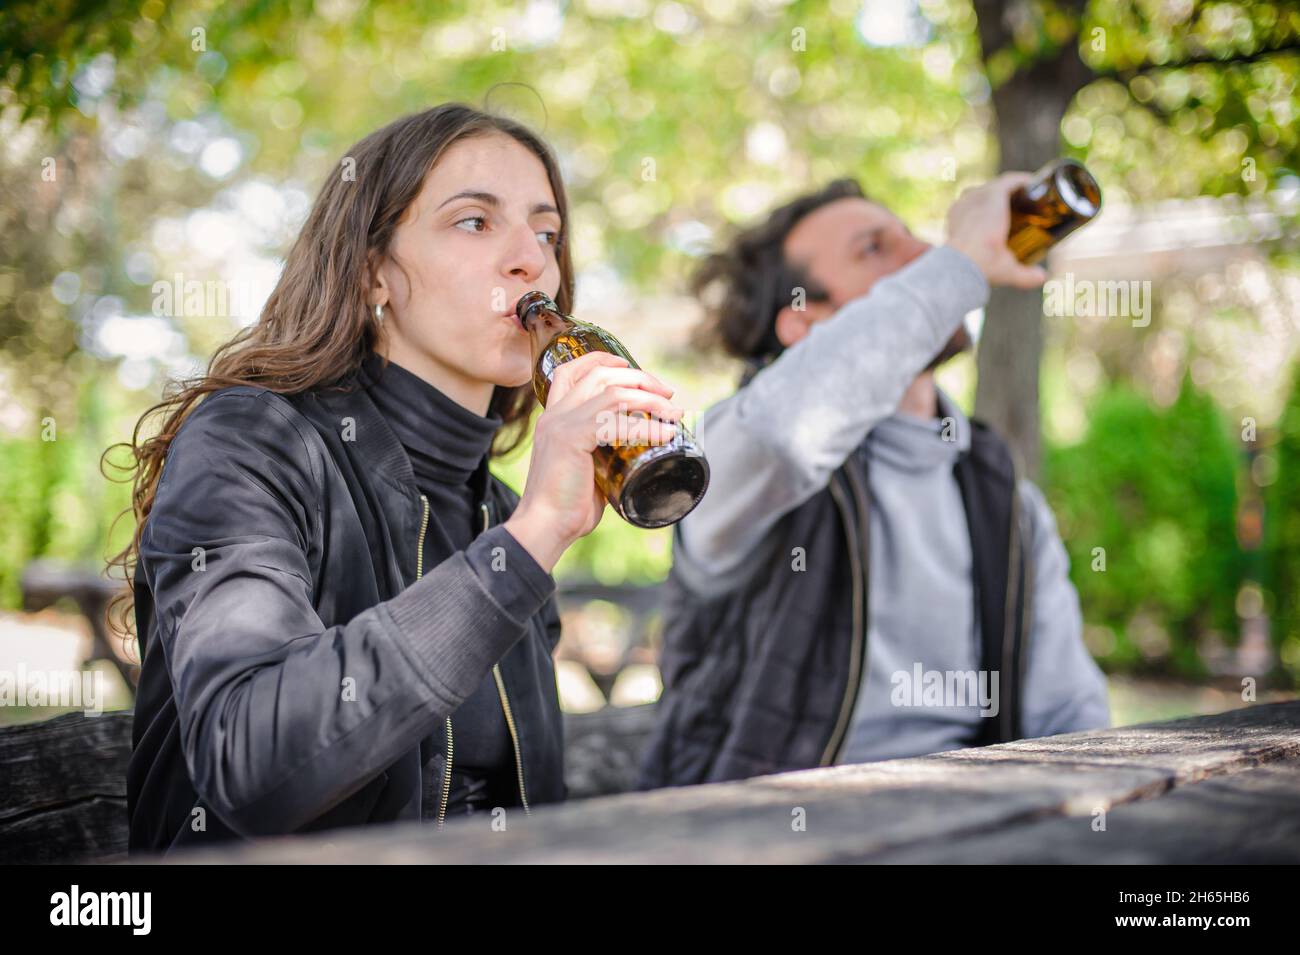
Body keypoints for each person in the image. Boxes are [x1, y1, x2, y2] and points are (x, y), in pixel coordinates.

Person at [112, 103, 683, 851]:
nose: (531, 260)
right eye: (475, 221)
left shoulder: (497, 512)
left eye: (547, 233)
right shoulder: (248, 444)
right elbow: (248, 756)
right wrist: (533, 537)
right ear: (373, 271)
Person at [638, 174, 1111, 789]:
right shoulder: (734, 456)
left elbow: (1069, 716)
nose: (926, 258)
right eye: (875, 249)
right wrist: (961, 262)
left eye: (915, 238)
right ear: (804, 326)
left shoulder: (1003, 496)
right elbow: (787, 432)